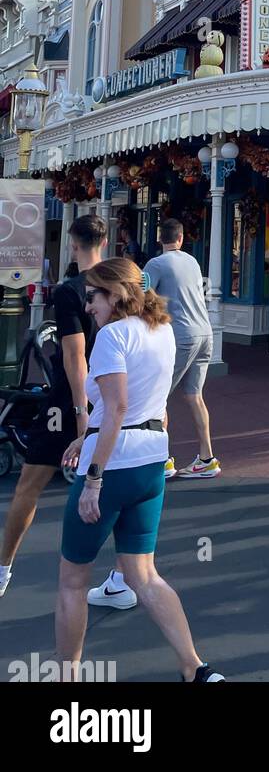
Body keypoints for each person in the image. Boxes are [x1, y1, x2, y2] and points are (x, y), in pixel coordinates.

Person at [56, 258, 223, 682]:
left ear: (114, 295)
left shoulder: (112, 336)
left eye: (93, 296)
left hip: (114, 463)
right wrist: (85, 436)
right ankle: (195, 668)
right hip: (151, 460)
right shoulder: (162, 330)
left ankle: (68, 677)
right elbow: (148, 406)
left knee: (73, 580)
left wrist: (94, 477)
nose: (89, 306)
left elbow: (117, 408)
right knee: (143, 574)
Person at [0, 217, 138, 607]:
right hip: (118, 393)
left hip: (72, 399)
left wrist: (81, 410)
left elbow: (75, 355)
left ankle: (4, 569)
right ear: (106, 239)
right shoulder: (123, 284)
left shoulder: (69, 291)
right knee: (120, 487)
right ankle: (122, 578)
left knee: (30, 484)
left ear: (74, 245)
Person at [145, 220, 219, 480]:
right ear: (181, 237)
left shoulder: (156, 264)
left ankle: (162, 459)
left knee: (158, 397)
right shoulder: (192, 261)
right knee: (194, 395)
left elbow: (142, 296)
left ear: (160, 238)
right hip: (205, 333)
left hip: (180, 335)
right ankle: (207, 458)